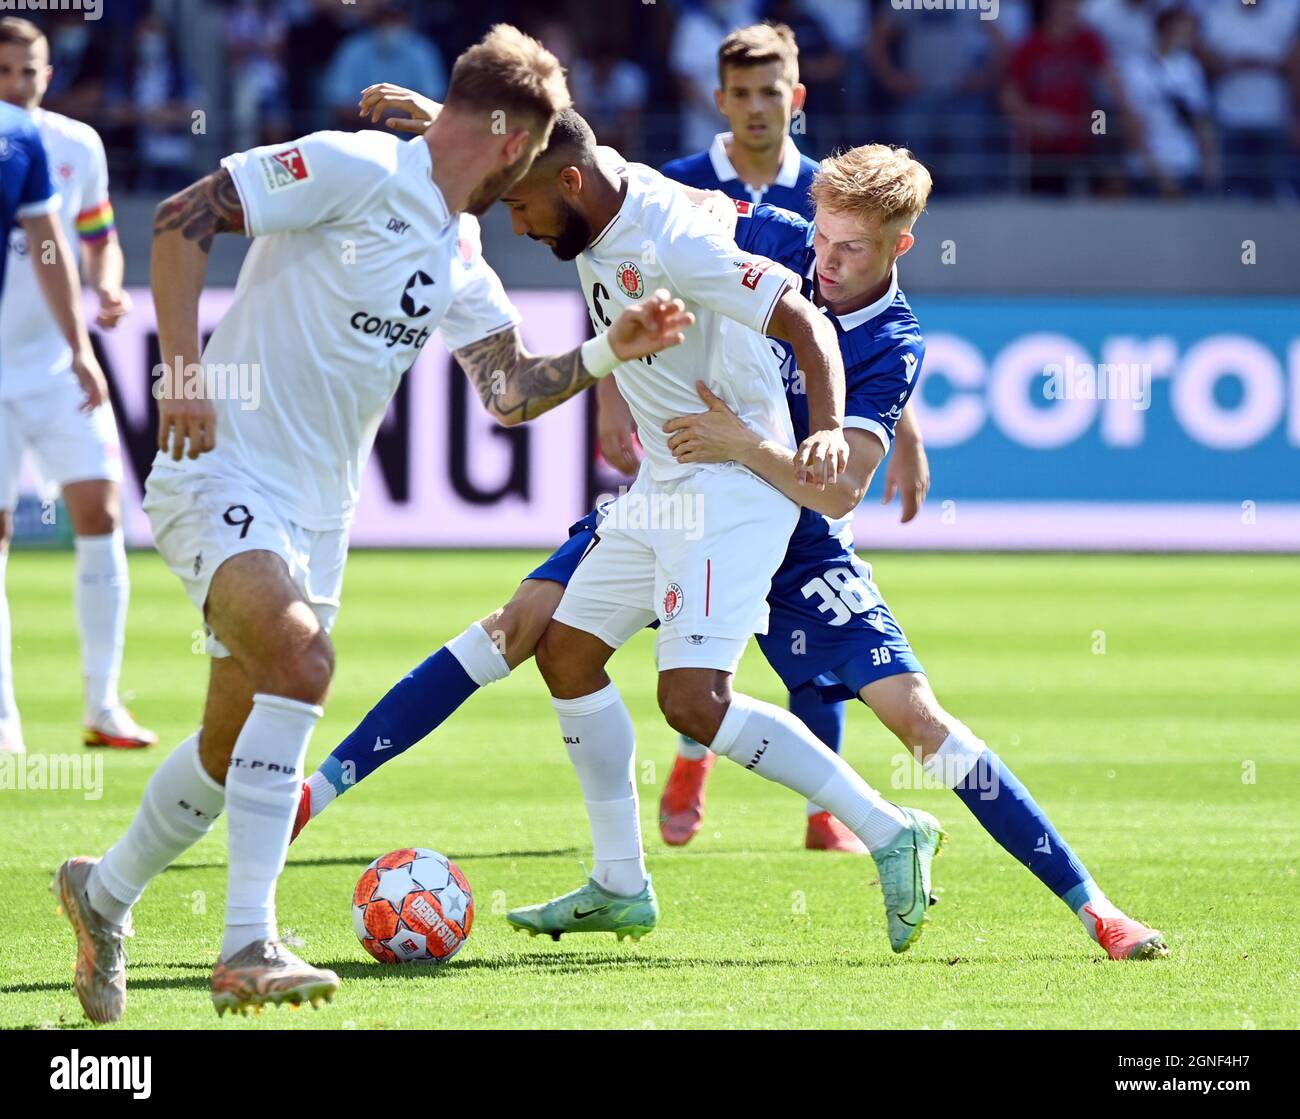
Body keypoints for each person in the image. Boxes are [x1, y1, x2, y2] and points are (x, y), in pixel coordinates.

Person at [49, 25, 690, 1024]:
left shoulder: (456, 249)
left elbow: (510, 391)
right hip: (220, 466)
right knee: (303, 669)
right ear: (514, 141)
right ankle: (247, 944)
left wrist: (610, 350)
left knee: (230, 745)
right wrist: (180, 373)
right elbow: (183, 216)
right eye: (532, 148)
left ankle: (104, 892)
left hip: (317, 512)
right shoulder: (352, 166)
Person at [0, 17, 152, 758]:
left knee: (101, 507)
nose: (16, 85)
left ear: (48, 74)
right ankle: (3, 719)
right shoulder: (12, 145)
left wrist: (109, 289)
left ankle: (103, 703)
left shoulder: (74, 145)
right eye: (3, 72)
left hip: (57, 365)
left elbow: (94, 238)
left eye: (27, 71)